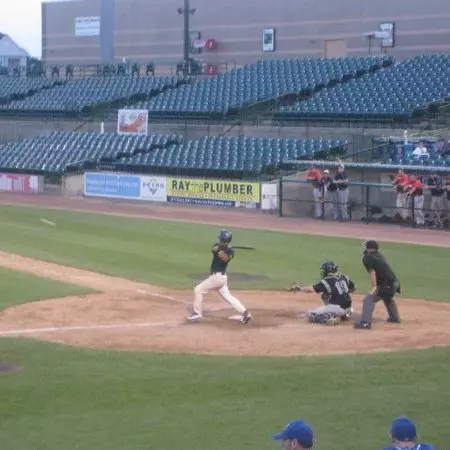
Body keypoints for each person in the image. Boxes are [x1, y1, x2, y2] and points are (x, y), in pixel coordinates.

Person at [186, 229, 251, 324]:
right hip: (219, 279)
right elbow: (214, 249)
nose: (219, 239)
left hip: (218, 278)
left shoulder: (230, 252)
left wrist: (225, 249)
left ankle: (197, 313)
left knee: (198, 289)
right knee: (228, 297)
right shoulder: (217, 247)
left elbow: (224, 259)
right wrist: (222, 247)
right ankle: (245, 313)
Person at [289, 260, 355, 325]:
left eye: (324, 270)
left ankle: (328, 318)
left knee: (312, 315)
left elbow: (310, 289)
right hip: (348, 308)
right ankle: (342, 315)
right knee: (325, 295)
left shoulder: (328, 280)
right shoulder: (344, 277)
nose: (323, 272)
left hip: (337, 308)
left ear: (328, 270)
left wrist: (299, 288)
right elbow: (353, 288)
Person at [354, 240, 401, 330]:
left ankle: (365, 322)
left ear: (371, 249)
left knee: (368, 299)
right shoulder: (379, 255)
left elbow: (372, 273)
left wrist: (374, 287)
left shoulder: (367, 258)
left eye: (367, 247)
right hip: (395, 282)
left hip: (387, 284)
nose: (365, 249)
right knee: (387, 297)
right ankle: (394, 318)